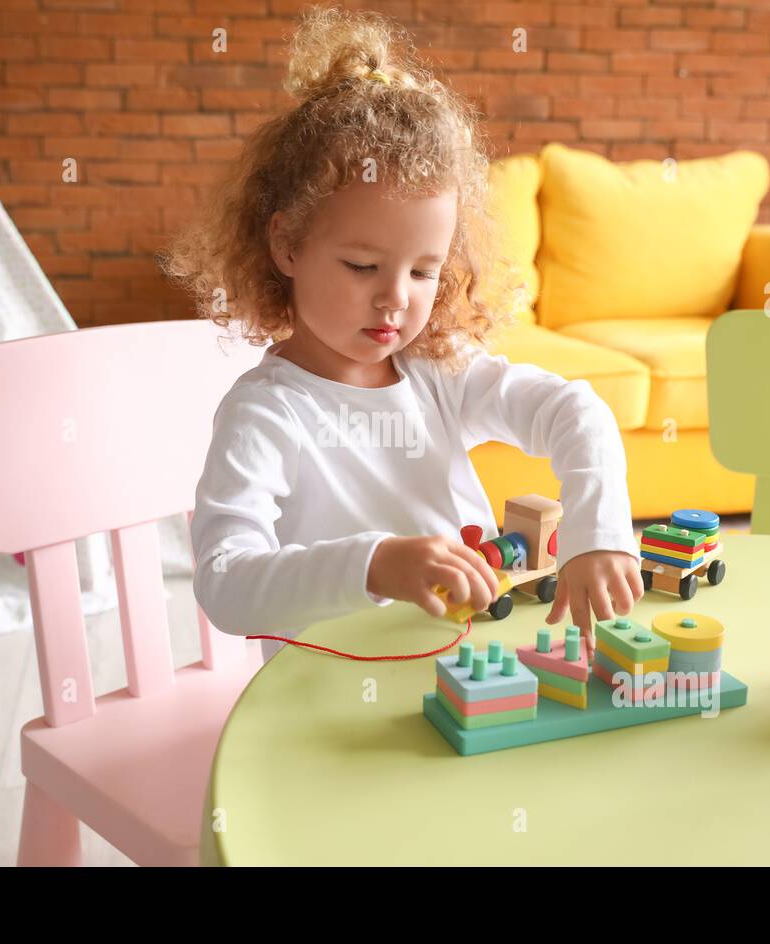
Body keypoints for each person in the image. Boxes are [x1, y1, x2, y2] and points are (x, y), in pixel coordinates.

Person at [159, 7, 641, 663]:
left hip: (460, 672)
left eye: (424, 271)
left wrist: (599, 532)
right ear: (287, 245)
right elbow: (224, 582)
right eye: (362, 266)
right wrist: (375, 566)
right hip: (326, 707)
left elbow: (572, 410)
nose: (395, 298)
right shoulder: (267, 411)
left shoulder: (438, 372)